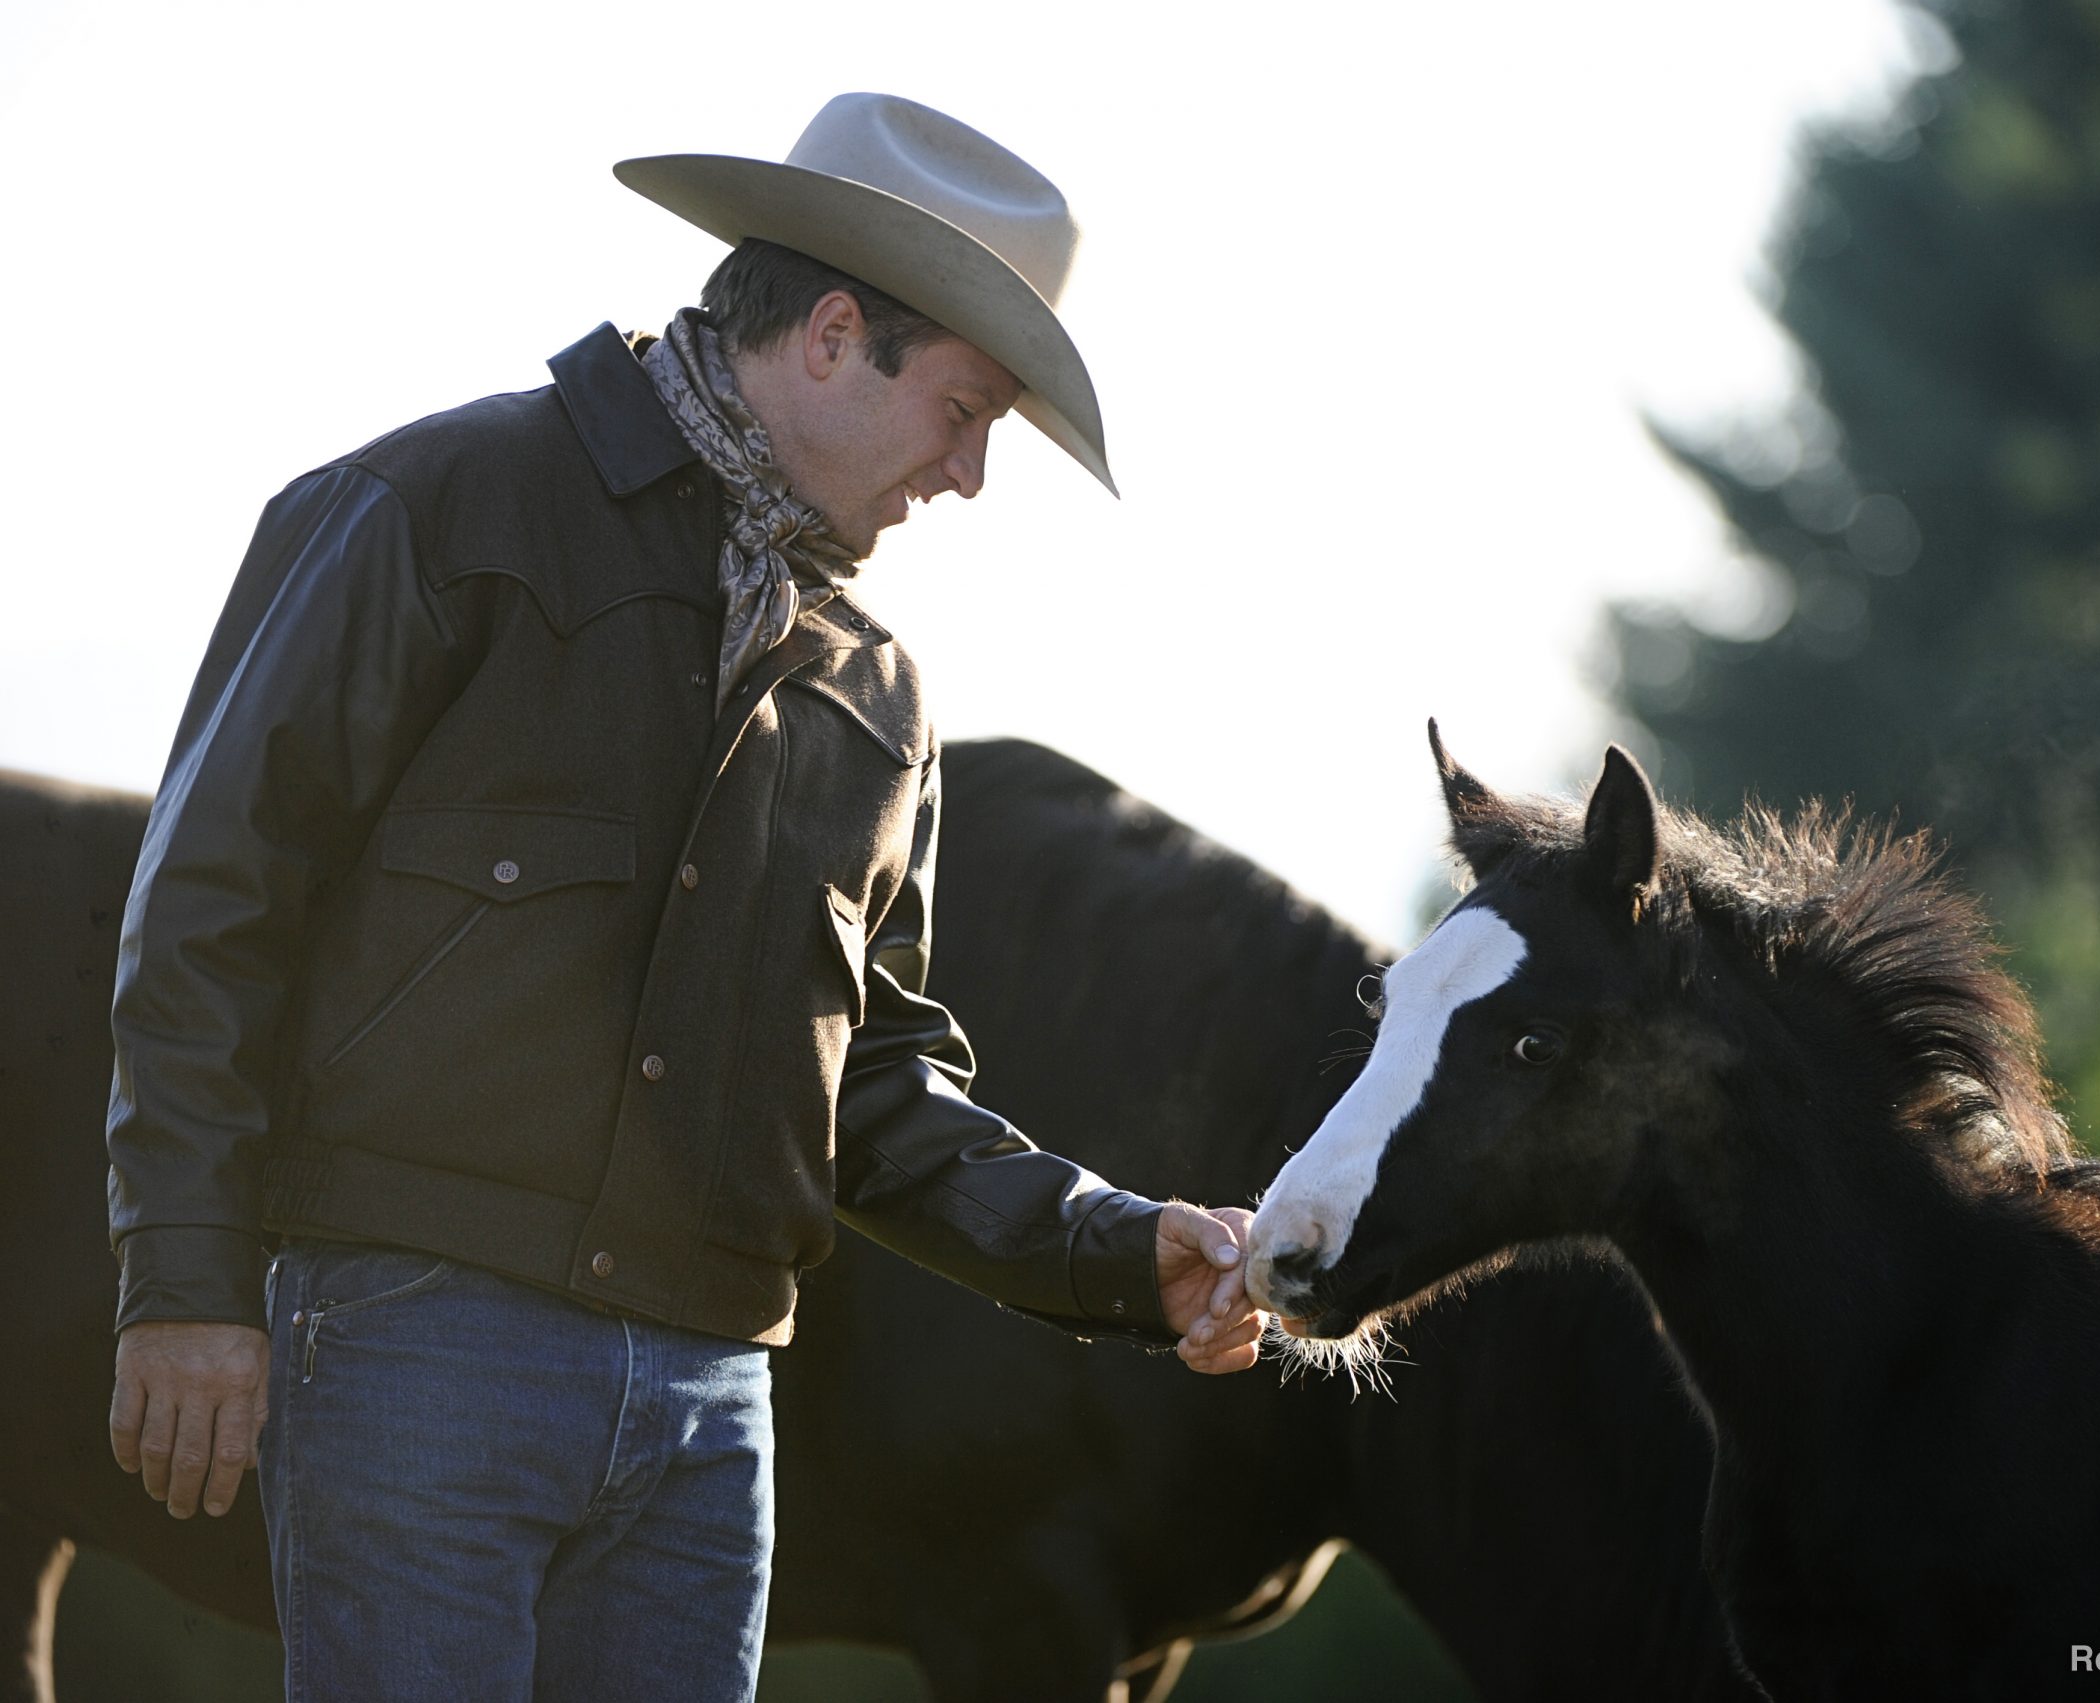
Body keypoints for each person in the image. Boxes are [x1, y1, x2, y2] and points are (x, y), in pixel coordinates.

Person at [102, 92, 1267, 1701]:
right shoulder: (436, 509)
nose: (974, 474)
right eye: (966, 408)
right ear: (834, 333)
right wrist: (183, 1287)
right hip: (412, 1349)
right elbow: (209, 912)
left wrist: (1120, 1251)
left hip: (715, 1413)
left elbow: (872, 1084)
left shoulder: (881, 700)